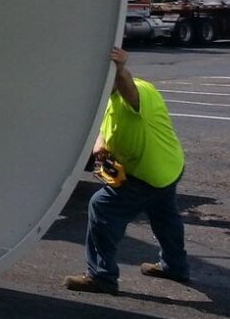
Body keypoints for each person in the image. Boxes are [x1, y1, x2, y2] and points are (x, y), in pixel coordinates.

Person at [65, 47, 189, 294]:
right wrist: (101, 154)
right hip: (168, 167)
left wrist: (120, 69)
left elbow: (128, 89)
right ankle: (175, 266)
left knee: (101, 206)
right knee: (165, 217)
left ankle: (101, 276)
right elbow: (104, 131)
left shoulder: (139, 92)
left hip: (146, 174)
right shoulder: (111, 99)